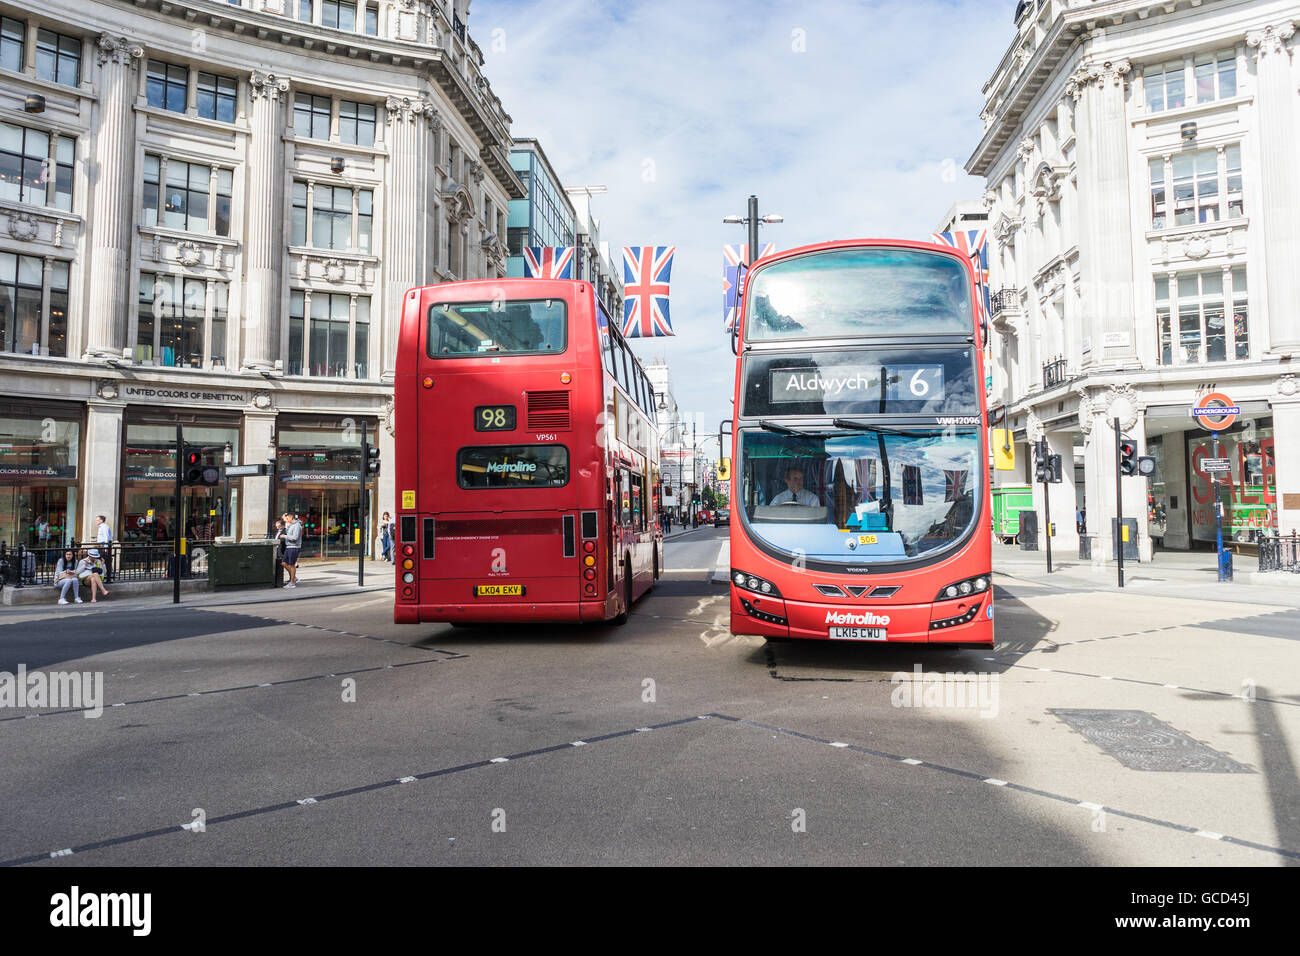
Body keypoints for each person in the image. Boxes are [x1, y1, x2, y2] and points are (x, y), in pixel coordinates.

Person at [281, 511, 303, 588]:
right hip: (289, 546)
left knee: (292, 565)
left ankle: (292, 582)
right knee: (283, 563)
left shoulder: (297, 525)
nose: (286, 519)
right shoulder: (291, 525)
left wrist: (285, 536)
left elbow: (295, 538)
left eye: (287, 518)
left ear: (291, 517)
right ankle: (294, 578)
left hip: (294, 547)